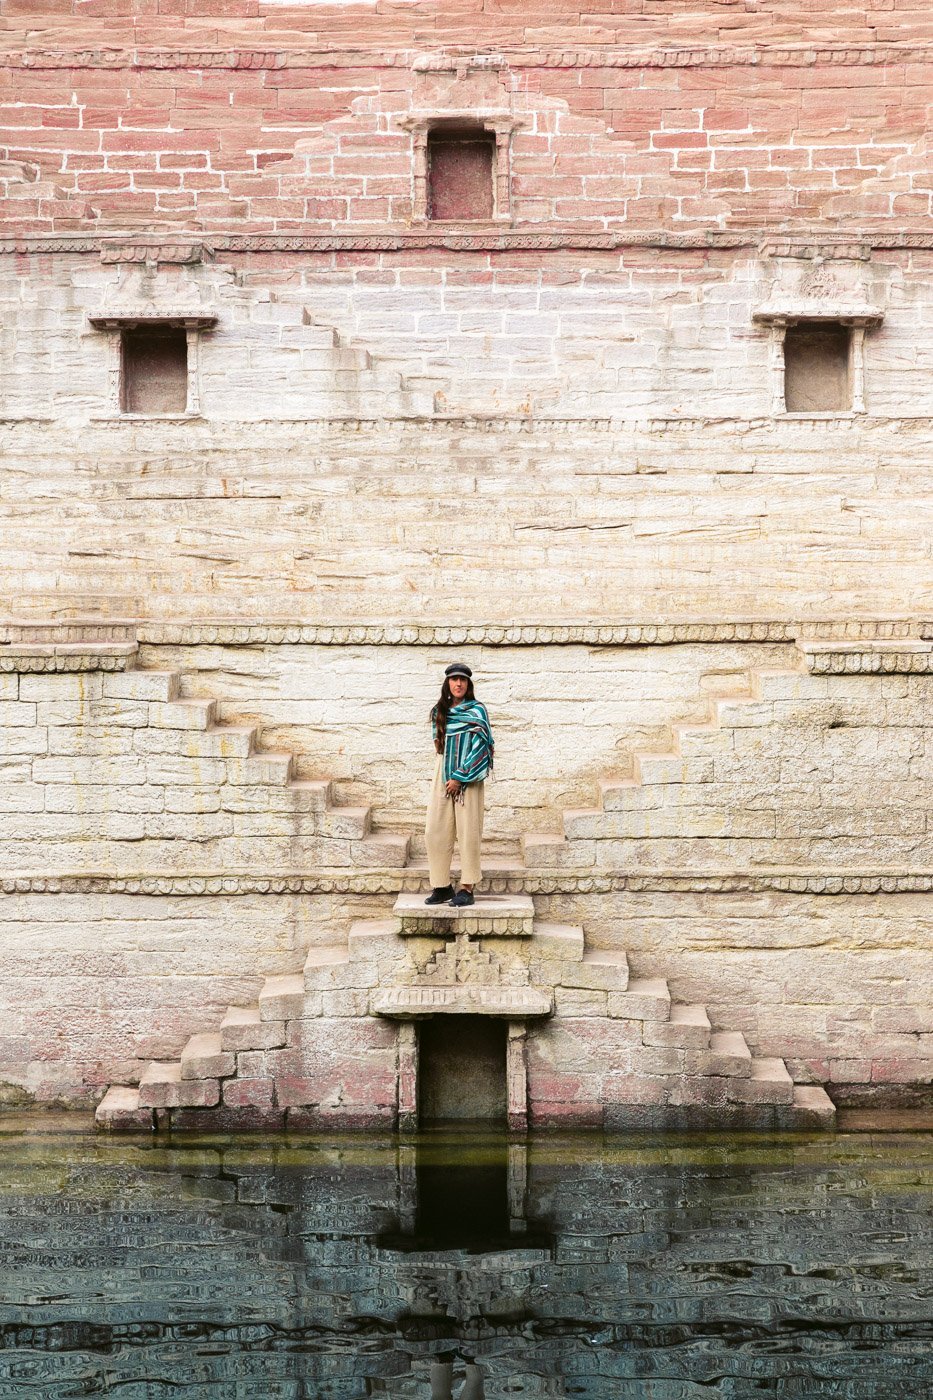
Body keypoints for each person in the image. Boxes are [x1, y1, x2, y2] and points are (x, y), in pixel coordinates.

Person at [424, 662, 494, 907]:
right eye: (454, 679)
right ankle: (442, 886)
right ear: (447, 683)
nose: (458, 684)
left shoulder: (477, 711)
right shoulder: (439, 711)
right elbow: (439, 745)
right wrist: (447, 773)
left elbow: (481, 747)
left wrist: (459, 776)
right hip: (442, 774)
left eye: (462, 680)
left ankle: (467, 888)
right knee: (435, 830)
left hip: (468, 779)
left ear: (468, 684)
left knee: (468, 833)